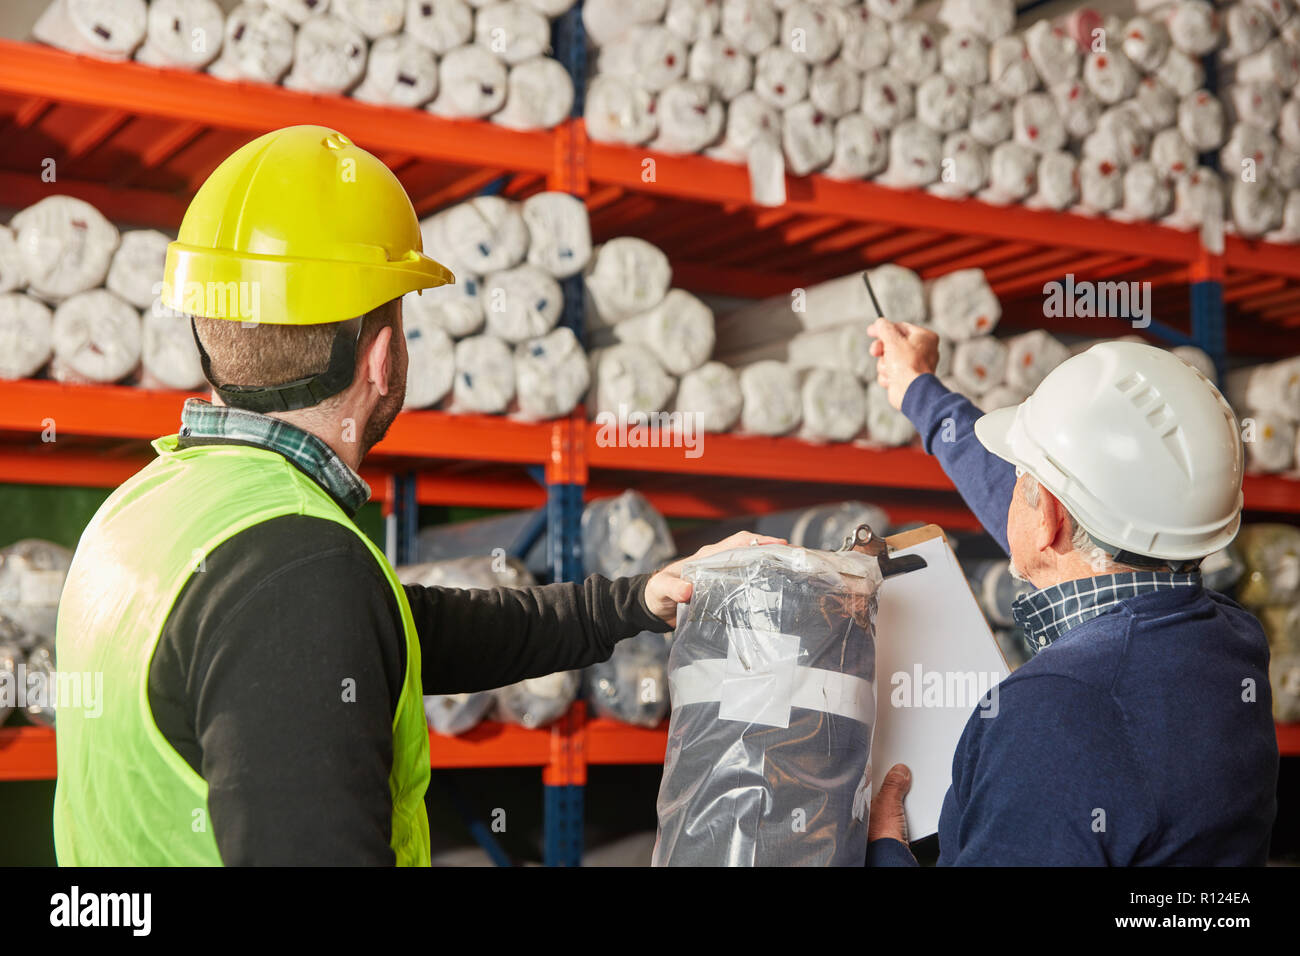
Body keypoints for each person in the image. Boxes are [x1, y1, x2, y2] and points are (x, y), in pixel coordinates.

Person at [51, 125, 780, 866]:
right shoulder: (295, 568)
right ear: (382, 357)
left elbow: (391, 629)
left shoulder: (146, 509)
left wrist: (634, 602)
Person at [864, 318, 1278, 865]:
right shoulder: (1229, 639)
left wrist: (885, 853)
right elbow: (1066, 530)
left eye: (1019, 476)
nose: (1008, 483)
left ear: (1050, 520)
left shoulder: (1055, 713)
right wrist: (919, 389)